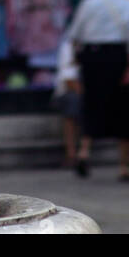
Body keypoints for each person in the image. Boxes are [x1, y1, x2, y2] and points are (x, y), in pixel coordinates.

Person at [65, 0, 129, 181]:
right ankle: (124, 167)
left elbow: (75, 34)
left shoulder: (88, 4)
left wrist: (75, 59)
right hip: (117, 57)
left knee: (91, 105)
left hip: (93, 57)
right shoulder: (127, 5)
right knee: (122, 109)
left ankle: (84, 152)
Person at [52, 36, 81, 169]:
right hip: (70, 92)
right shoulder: (68, 47)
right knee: (73, 101)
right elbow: (69, 80)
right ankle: (72, 154)